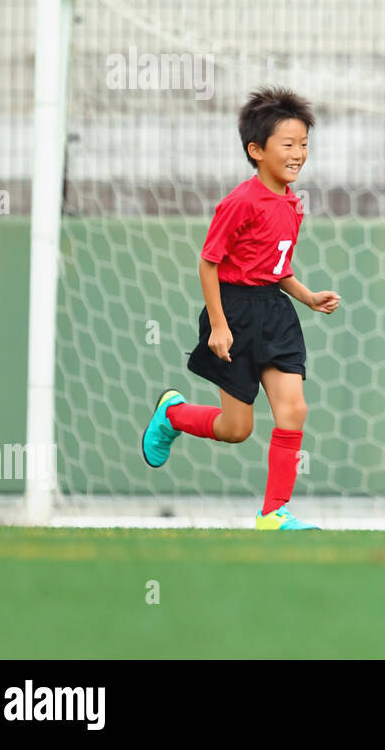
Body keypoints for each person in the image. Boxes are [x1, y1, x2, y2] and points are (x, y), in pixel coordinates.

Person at [140, 87, 340, 530]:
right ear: (257, 150)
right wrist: (218, 325)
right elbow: (208, 263)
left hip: (276, 314)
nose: (299, 153)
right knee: (237, 429)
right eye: (288, 144)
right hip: (233, 313)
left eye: (304, 144)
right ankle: (172, 415)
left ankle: (273, 513)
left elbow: (275, 268)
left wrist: (307, 297)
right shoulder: (240, 202)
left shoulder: (293, 203)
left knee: (294, 410)